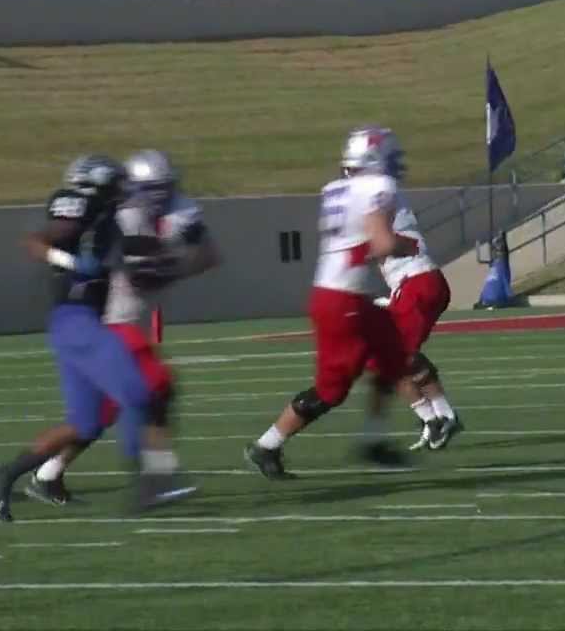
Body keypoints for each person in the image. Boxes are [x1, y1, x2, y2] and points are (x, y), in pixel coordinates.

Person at [0, 154, 193, 521]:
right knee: (136, 391)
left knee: (86, 423)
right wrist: (73, 263)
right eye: (115, 183)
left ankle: (4, 475)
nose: (121, 189)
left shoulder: (107, 217)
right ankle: (149, 485)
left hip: (79, 322)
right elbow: (39, 240)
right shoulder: (80, 203)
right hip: (78, 320)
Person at [24, 149, 218, 506]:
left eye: (166, 187)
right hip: (112, 319)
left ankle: (44, 474)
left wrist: (176, 267)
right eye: (153, 188)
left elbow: (209, 255)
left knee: (103, 412)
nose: (161, 195)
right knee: (156, 387)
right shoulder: (120, 213)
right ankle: (156, 479)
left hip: (134, 316)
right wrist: (157, 266)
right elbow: (134, 271)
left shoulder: (179, 210)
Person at [243, 125, 434, 479]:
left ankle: (374, 440)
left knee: (393, 353)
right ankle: (266, 445)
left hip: (344, 295)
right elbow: (382, 243)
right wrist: (405, 245)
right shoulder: (378, 186)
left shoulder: (336, 188)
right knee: (331, 392)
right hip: (340, 300)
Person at [366, 133, 463, 452]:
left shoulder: (379, 192)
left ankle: (433, 419)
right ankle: (440, 416)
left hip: (417, 282)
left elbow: (384, 243)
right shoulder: (383, 192)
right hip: (416, 282)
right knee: (400, 355)